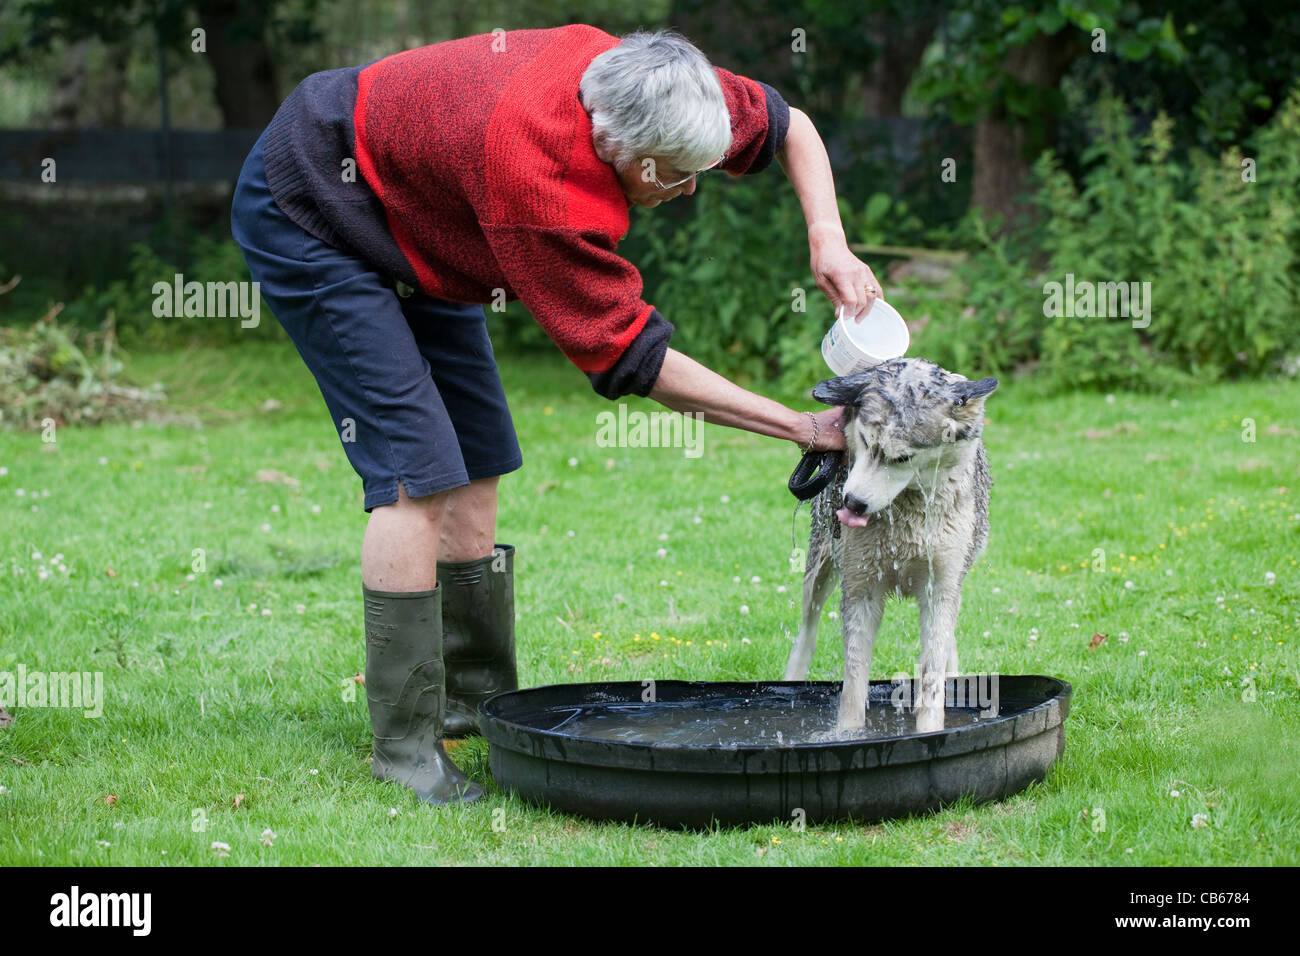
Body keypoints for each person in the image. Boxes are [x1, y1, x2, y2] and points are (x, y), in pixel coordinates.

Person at [230, 25, 881, 806]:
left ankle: (472, 705)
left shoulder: (659, 87)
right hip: (316, 203)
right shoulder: (540, 186)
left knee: (479, 454)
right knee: (417, 472)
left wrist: (828, 239)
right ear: (622, 152)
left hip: (429, 219)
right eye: (676, 176)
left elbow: (790, 126)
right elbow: (634, 358)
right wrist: (802, 426)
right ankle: (404, 748)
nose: (690, 189)